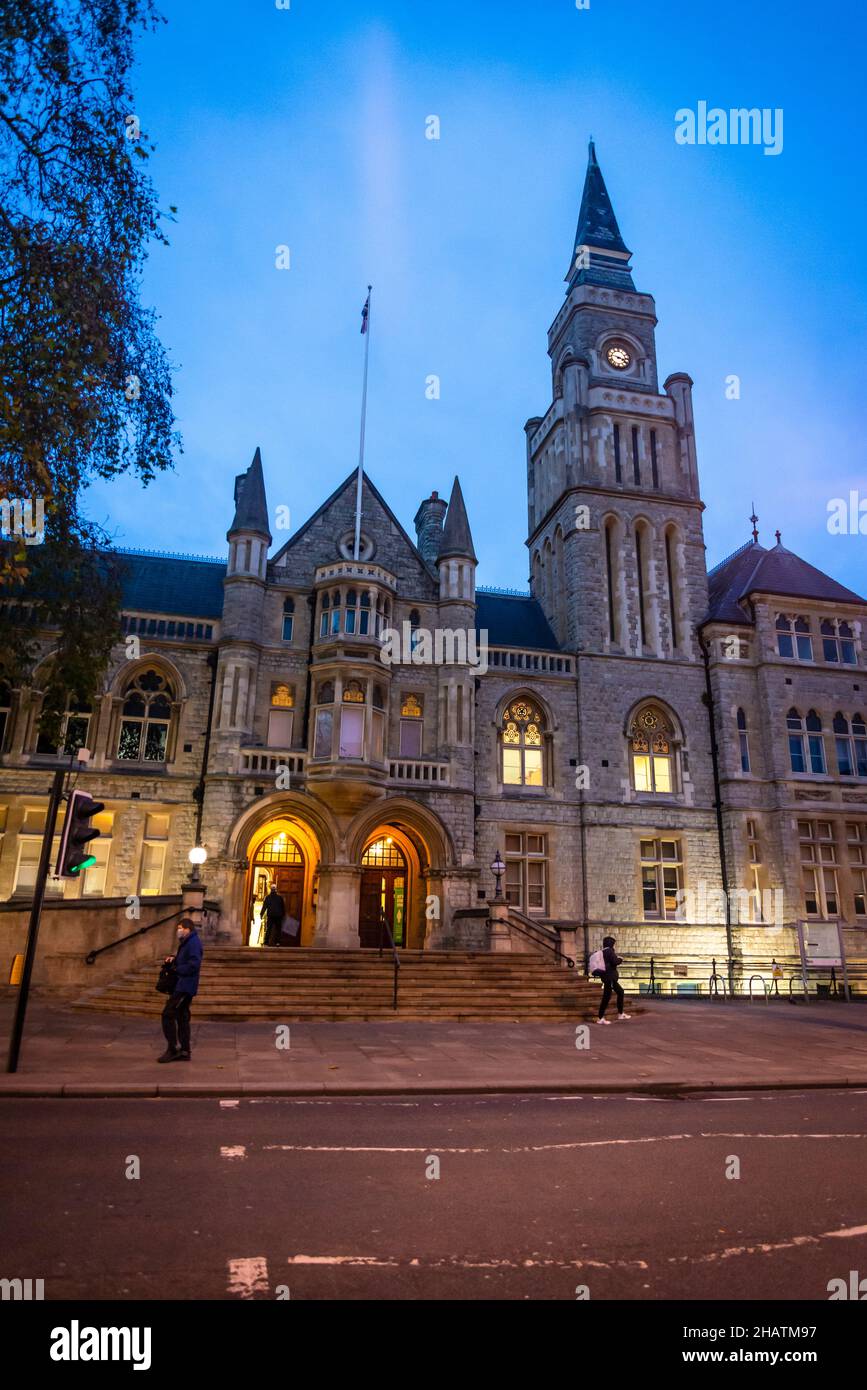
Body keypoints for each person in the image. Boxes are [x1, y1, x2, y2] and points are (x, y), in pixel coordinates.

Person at [158, 918, 204, 1062]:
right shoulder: (187, 942)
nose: (178, 931)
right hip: (182, 984)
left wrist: (177, 968)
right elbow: (186, 960)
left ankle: (173, 1048)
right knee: (182, 1017)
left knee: (168, 1014)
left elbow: (194, 964)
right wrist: (174, 959)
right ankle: (185, 1051)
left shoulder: (193, 943)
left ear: (187, 929)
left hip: (185, 987)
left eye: (180, 928)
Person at [596, 934, 630, 1024]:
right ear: (611, 944)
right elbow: (614, 962)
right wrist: (620, 959)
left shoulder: (603, 951)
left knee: (620, 992)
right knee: (607, 997)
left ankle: (620, 1013)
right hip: (609, 977)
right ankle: (600, 1018)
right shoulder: (609, 951)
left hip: (607, 977)